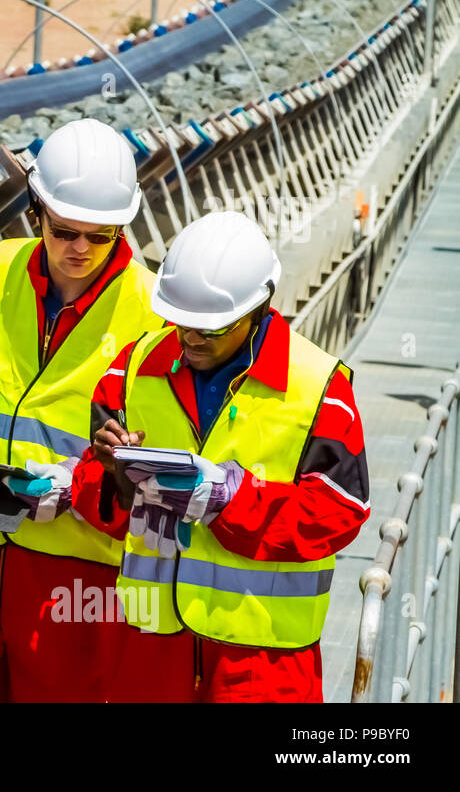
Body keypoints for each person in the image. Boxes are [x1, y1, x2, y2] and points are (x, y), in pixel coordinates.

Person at [0, 118, 165, 702]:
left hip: (77, 592)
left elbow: (159, 475)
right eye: (65, 229)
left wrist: (80, 487)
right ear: (34, 207)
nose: (80, 249)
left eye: (101, 237)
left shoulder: (155, 319)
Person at [71, 210, 371, 702]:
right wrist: (110, 475)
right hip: (150, 647)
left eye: (208, 330)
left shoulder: (319, 388)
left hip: (263, 658)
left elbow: (339, 516)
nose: (189, 338)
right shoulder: (131, 368)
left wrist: (230, 500)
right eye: (180, 322)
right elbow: (101, 502)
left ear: (258, 308)